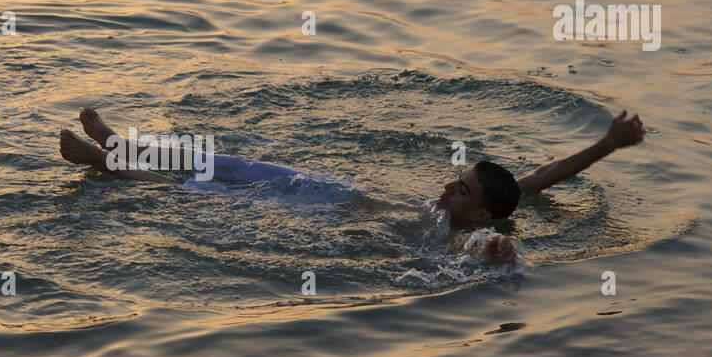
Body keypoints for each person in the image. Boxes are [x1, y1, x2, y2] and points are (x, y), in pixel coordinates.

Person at [57, 107, 646, 264]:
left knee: (194, 192)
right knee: (216, 160)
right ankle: (117, 141)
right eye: (457, 179)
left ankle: (100, 164)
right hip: (322, 184)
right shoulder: (483, 204)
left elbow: (482, 254)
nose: (448, 187)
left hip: (307, 212)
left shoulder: (455, 236)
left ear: (484, 217)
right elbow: (539, 179)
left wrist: (495, 255)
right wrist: (605, 146)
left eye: (461, 190)